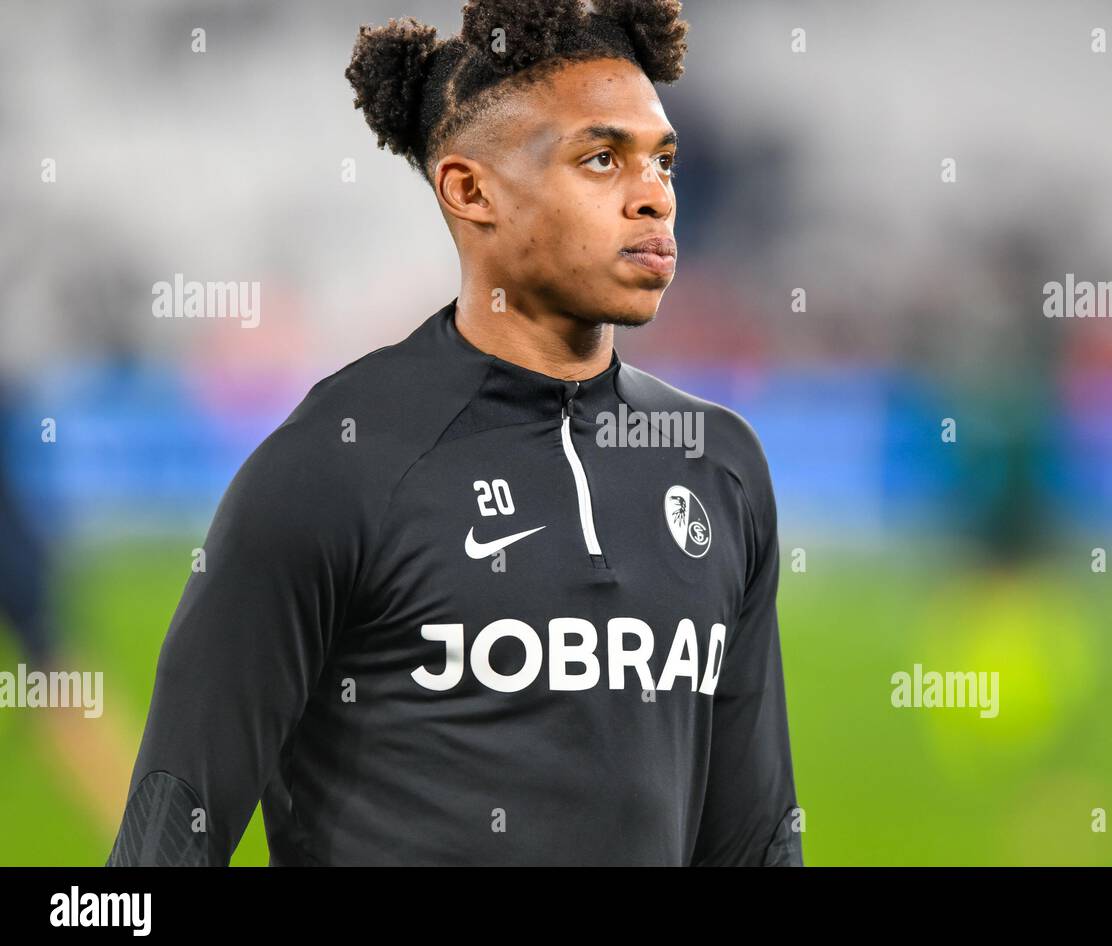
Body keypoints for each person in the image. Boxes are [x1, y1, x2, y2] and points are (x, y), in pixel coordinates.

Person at [107, 0, 802, 866]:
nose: (653, 195)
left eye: (663, 161)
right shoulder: (336, 463)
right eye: (601, 159)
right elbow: (161, 850)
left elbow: (757, 840)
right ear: (470, 189)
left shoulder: (718, 465)